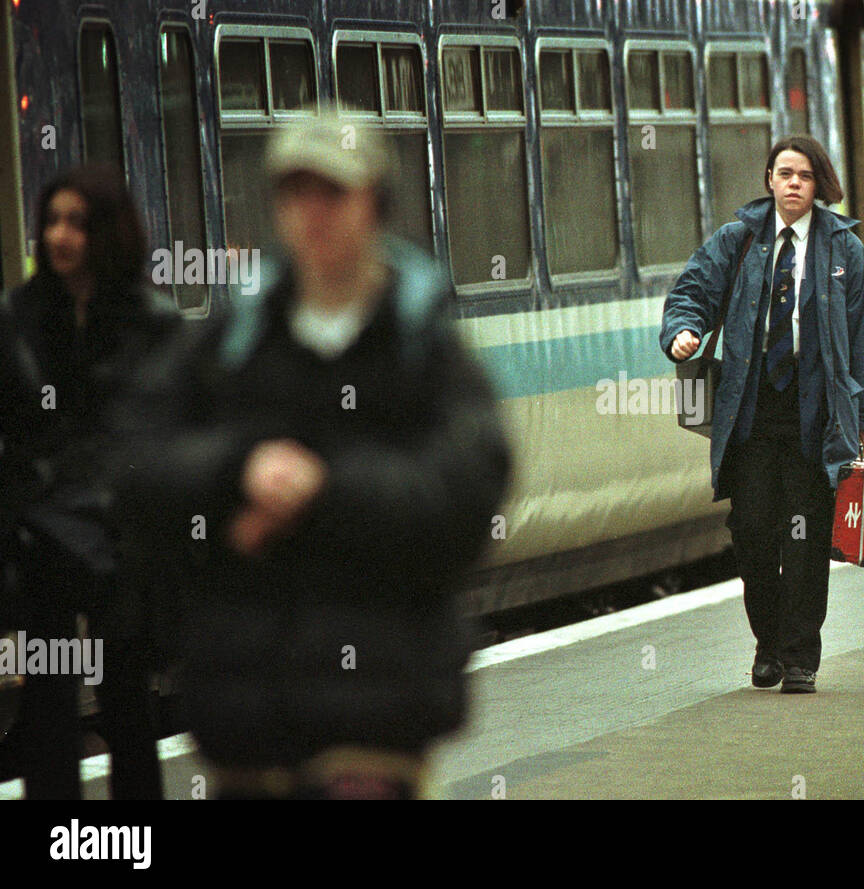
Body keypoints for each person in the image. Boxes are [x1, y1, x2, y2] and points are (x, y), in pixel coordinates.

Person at [116, 113, 511, 798]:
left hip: (374, 729)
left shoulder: (420, 345)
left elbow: (468, 490)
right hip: (246, 726)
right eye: (296, 194)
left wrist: (323, 488)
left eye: (334, 193)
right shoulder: (234, 340)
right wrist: (238, 468)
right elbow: (133, 463)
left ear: (375, 204)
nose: (313, 213)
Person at [660, 135, 864, 694]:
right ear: (768, 180)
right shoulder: (740, 240)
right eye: (784, 173)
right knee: (754, 530)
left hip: (817, 416)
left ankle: (800, 657)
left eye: (804, 176)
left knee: (806, 538)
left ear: (818, 185)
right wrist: (681, 332)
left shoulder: (844, 250)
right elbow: (692, 292)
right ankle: (767, 644)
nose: (792, 184)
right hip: (752, 412)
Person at [0, 165, 176, 798]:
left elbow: (169, 432)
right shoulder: (18, 315)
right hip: (41, 540)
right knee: (48, 710)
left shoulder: (150, 322)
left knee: (127, 706)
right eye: (51, 221)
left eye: (76, 221)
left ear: (105, 231)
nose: (59, 235)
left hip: (120, 542)